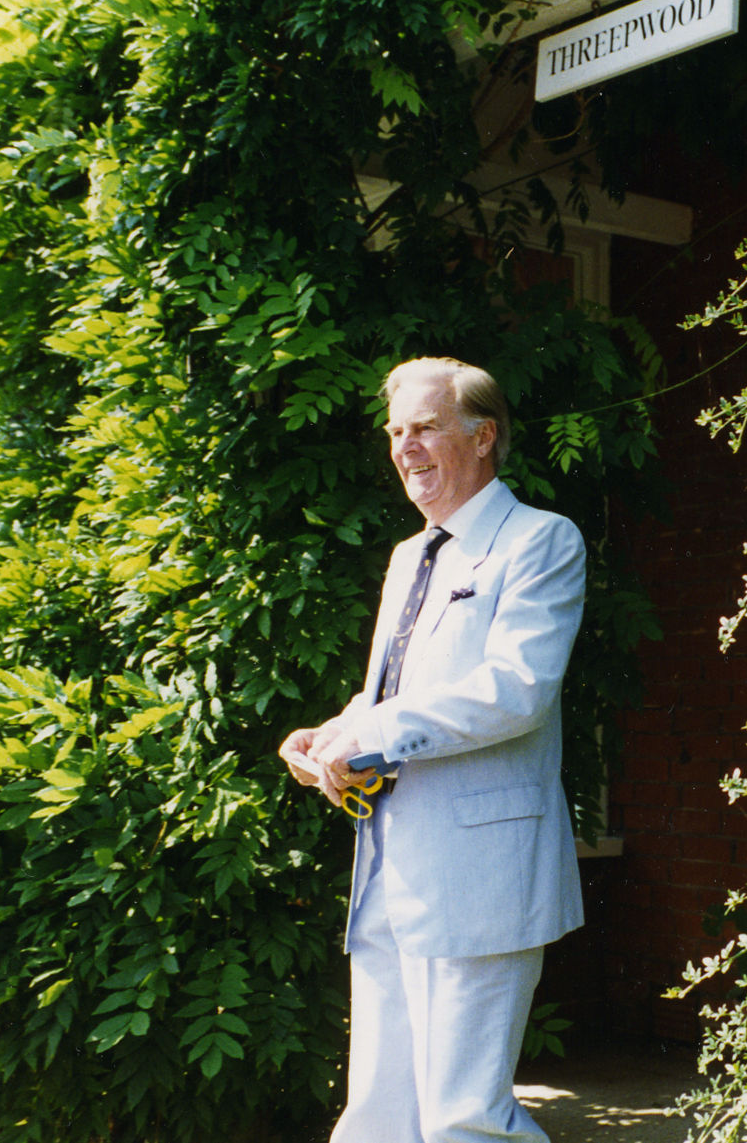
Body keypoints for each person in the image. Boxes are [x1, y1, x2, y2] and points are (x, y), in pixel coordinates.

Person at [279, 356, 586, 1143]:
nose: (405, 447)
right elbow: (390, 694)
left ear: (483, 437)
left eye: (424, 427)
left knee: (464, 1120)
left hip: (482, 871)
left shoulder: (539, 541)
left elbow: (516, 689)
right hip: (388, 864)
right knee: (380, 1115)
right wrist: (327, 735)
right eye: (394, 432)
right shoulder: (408, 556)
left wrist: (370, 734)